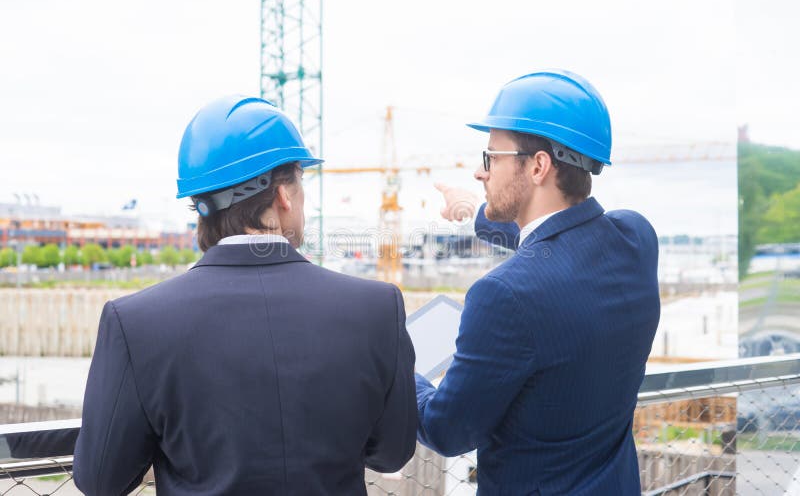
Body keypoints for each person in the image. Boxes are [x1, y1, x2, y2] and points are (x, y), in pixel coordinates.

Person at [73, 96, 417, 495]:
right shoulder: (375, 308)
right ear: (284, 196)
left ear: (200, 206)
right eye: (301, 182)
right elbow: (392, 454)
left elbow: (101, 478)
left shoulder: (135, 322)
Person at [416, 70, 660, 495]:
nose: (479, 171)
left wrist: (400, 364)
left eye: (490, 156)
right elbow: (563, 238)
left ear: (539, 166)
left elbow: (446, 430)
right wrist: (476, 212)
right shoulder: (636, 240)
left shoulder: (503, 295)